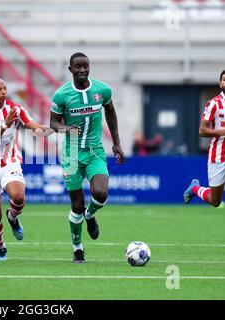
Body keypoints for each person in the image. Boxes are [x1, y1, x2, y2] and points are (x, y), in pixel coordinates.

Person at [50, 52, 125, 263]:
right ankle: (78, 249)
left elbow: (110, 112)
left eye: (85, 66)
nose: (82, 70)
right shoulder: (61, 95)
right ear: (70, 69)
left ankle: (90, 215)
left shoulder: (102, 90)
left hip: (94, 151)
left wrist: (117, 143)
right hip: (71, 154)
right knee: (76, 206)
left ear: (89, 67)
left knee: (100, 193)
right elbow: (53, 123)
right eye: (77, 67)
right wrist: (65, 128)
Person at [0, 77, 53, 261]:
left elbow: (36, 128)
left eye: (5, 88)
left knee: (18, 196)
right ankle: (0, 246)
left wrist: (60, 129)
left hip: (10, 162)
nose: (3, 92)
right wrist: (5, 125)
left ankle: (12, 217)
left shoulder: (15, 109)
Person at [184, 69, 225, 254]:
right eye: (224, 80)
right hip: (217, 157)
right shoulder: (213, 104)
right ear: (220, 84)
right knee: (215, 200)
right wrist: (222, 132)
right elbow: (202, 131)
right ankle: (196, 188)